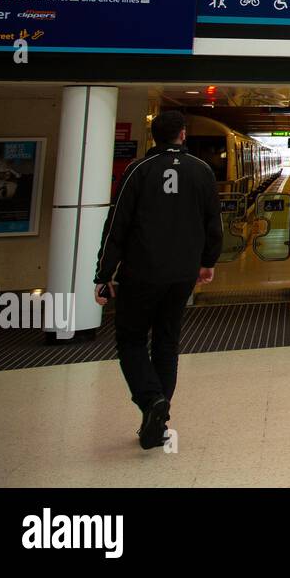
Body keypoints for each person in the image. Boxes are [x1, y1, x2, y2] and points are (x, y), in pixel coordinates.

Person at [94, 110, 222, 449]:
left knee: (131, 340)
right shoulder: (202, 171)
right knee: (167, 341)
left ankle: (151, 401)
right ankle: (158, 419)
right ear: (183, 134)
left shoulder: (137, 170)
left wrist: (104, 273)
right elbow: (214, 224)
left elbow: (116, 226)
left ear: (154, 137)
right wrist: (207, 262)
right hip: (182, 275)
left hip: (141, 272)